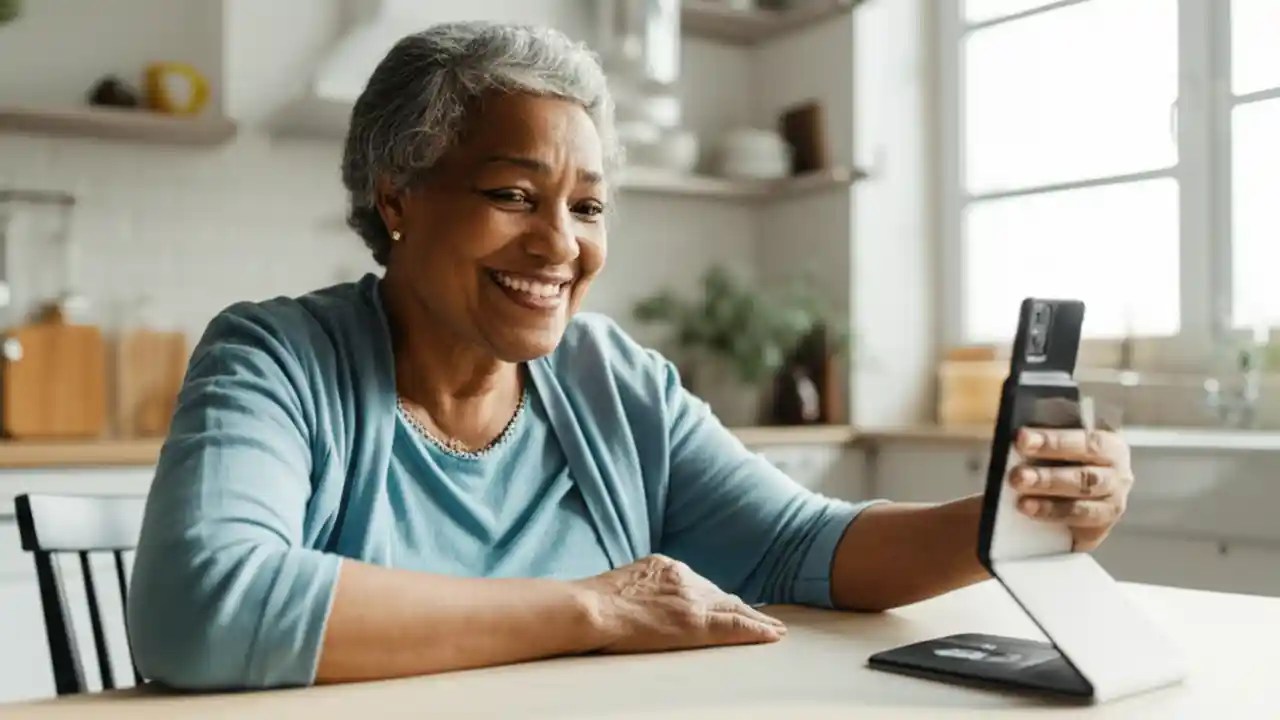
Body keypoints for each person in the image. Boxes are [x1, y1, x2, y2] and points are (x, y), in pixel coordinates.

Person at [127, 22, 1135, 690]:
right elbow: (203, 608)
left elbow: (802, 549)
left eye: (588, 206)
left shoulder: (608, 377)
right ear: (397, 198)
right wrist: (592, 608)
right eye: (512, 195)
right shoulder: (275, 355)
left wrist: (1008, 517)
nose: (560, 244)